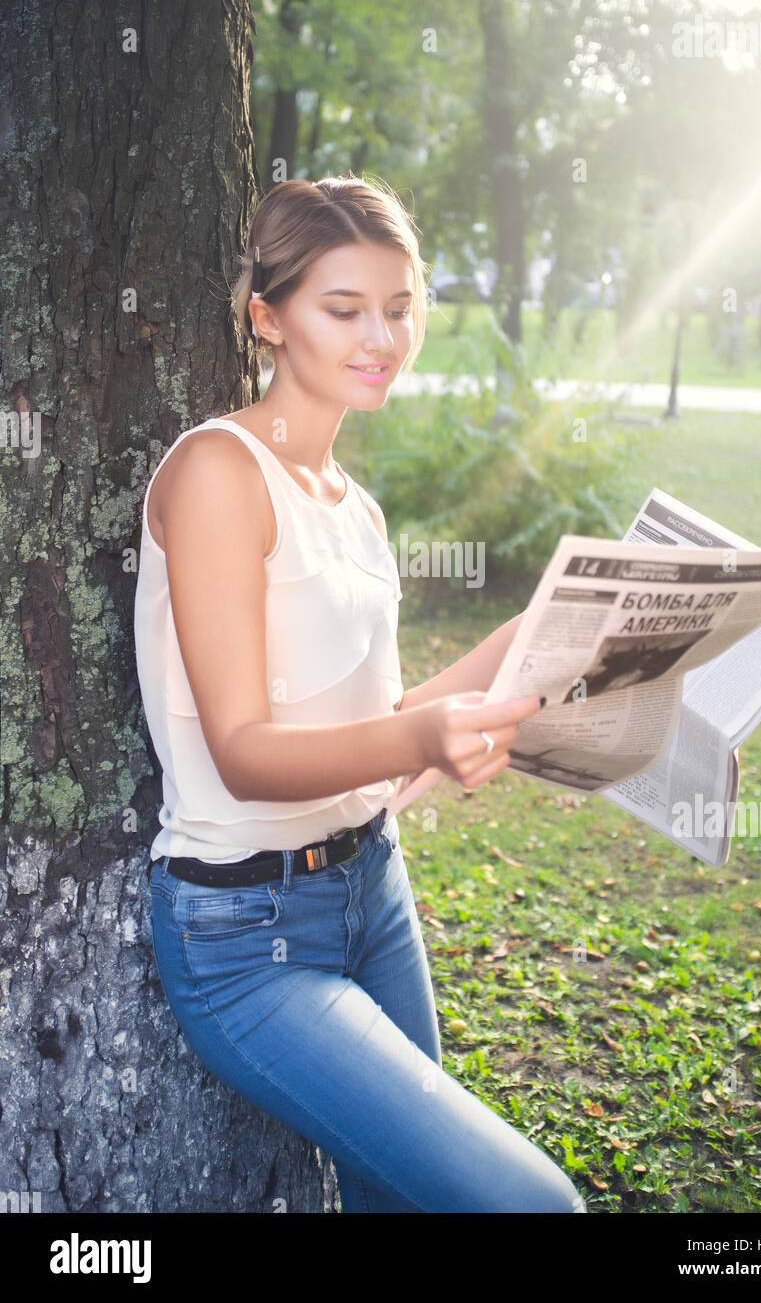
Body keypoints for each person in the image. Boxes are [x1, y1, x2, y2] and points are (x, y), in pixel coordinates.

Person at [135, 174, 588, 1214]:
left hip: (370, 893)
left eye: (400, 305)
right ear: (267, 317)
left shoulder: (359, 511)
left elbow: (371, 735)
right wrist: (423, 735)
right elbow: (244, 747)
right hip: (245, 934)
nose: (381, 335)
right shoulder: (219, 470)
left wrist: (535, 639)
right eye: (342, 309)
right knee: (532, 1206)